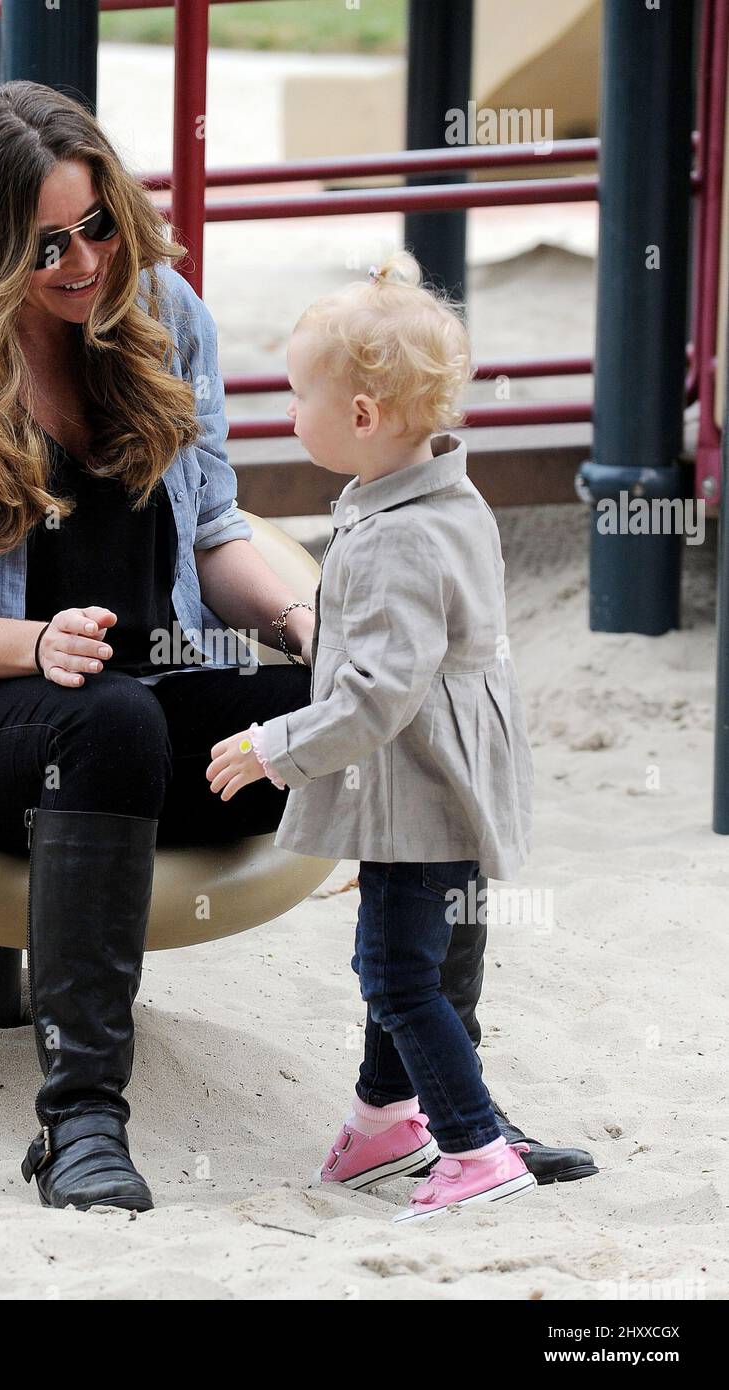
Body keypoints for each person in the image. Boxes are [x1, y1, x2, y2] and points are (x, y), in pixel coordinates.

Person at [0, 79, 592, 1215]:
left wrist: (302, 621)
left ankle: (436, 1109)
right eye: (46, 246)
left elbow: (220, 531)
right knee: (110, 718)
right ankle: (80, 1118)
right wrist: (35, 644)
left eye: (100, 225)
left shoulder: (162, 312)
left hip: (141, 704)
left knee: (408, 715)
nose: (85, 261)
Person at [207, 252, 593, 1222]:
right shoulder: (445, 500)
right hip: (448, 784)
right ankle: (382, 1124)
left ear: (364, 417)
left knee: (393, 970)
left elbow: (378, 695)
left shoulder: (395, 538)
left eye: (301, 395)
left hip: (417, 794)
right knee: (413, 961)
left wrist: (270, 746)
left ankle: (468, 1145)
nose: (290, 411)